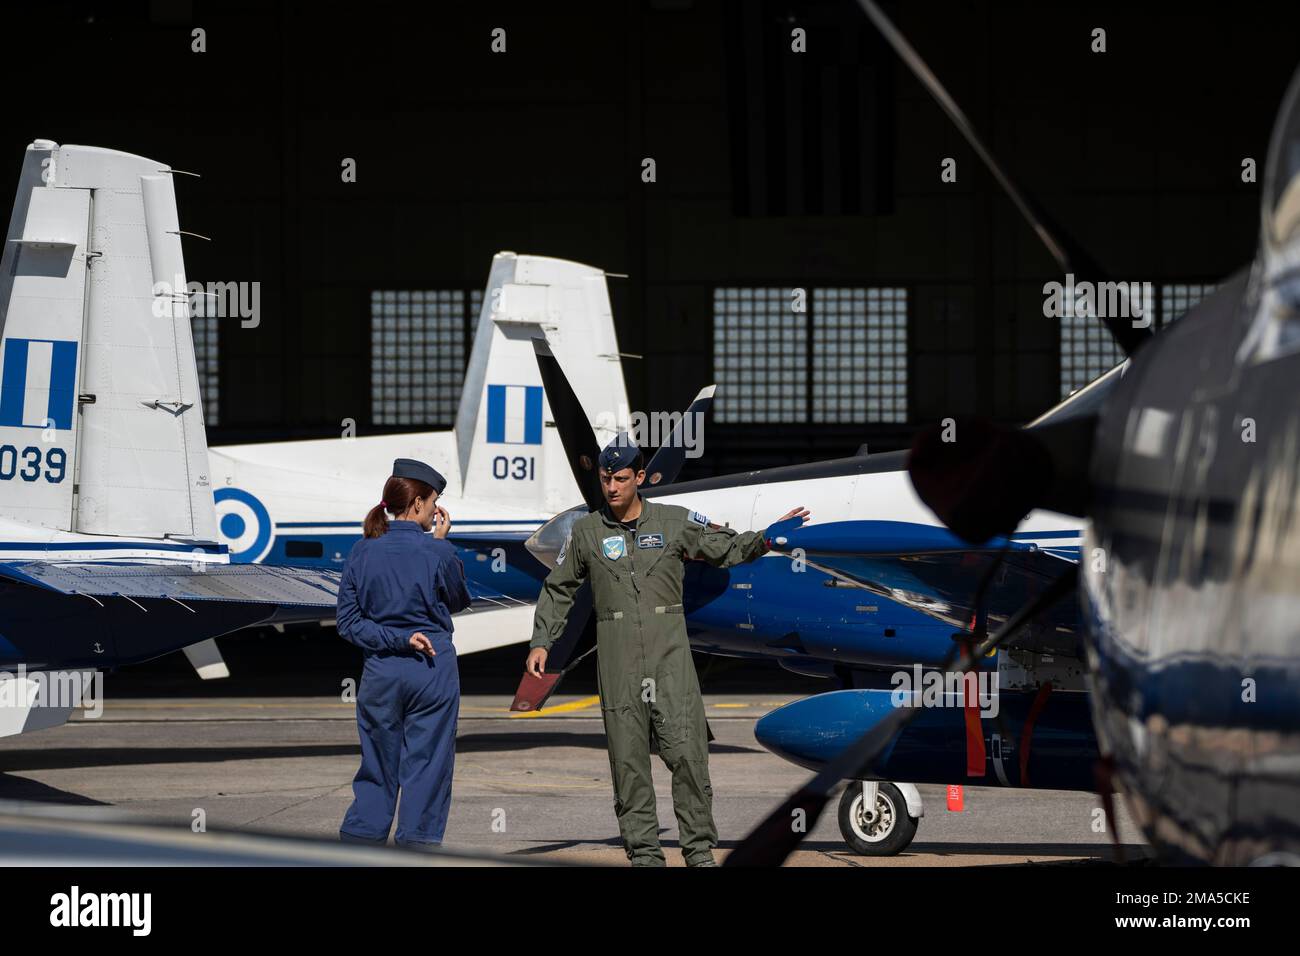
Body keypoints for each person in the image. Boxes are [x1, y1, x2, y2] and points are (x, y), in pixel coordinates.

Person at [525, 433, 810, 866]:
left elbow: (725, 548)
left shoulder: (675, 522)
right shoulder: (586, 533)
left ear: (639, 477)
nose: (612, 487)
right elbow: (558, 588)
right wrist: (543, 641)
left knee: (689, 756)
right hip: (618, 660)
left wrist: (766, 539)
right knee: (629, 764)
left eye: (621, 478)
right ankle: (644, 855)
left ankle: (698, 852)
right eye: (605, 479)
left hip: (670, 658)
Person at [337, 457, 471, 848]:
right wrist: (442, 544)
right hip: (431, 670)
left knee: (378, 763)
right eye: (433, 502)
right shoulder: (438, 552)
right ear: (417, 505)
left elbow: (348, 623)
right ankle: (417, 848)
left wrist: (397, 639)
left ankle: (360, 844)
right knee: (427, 766)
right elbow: (459, 600)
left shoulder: (361, 552)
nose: (434, 511)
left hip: (380, 672)